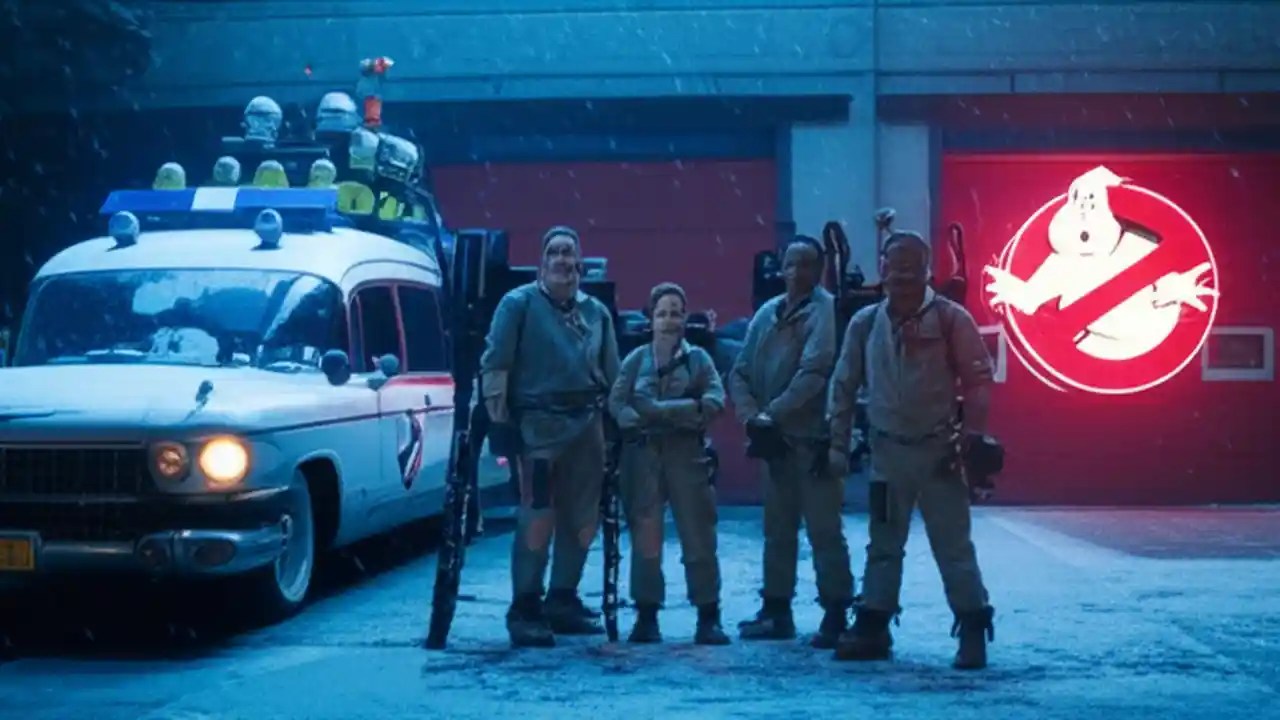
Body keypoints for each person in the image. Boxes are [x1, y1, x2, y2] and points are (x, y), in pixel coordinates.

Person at [826, 230, 996, 670]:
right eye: (893, 266)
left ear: (927, 271)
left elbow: (978, 381)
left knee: (953, 547)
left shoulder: (952, 319)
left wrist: (971, 438)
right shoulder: (864, 324)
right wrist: (837, 449)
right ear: (881, 269)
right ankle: (874, 625)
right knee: (883, 544)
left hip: (941, 455)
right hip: (887, 456)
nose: (900, 275)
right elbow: (842, 387)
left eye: (910, 267)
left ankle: (973, 628)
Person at [479, 225, 620, 648]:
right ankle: (525, 605)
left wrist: (620, 426)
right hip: (537, 426)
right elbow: (496, 364)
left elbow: (613, 374)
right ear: (543, 262)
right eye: (554, 252)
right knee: (537, 515)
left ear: (579, 262)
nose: (562, 260)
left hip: (587, 425)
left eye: (569, 253)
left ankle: (563, 599)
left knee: (582, 518)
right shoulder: (517, 305)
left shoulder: (596, 313)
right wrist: (499, 421)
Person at [728, 235, 855, 648]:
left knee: (824, 531)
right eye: (791, 264)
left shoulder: (826, 311)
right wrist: (753, 419)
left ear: (818, 269)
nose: (797, 272)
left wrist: (771, 414)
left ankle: (836, 612)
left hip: (813, 441)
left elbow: (815, 372)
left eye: (806, 264)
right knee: (776, 530)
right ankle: (776, 610)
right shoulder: (766, 314)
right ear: (780, 268)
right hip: (774, 443)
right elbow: (739, 372)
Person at [607, 282, 730, 646]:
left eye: (676, 311)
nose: (670, 319)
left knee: (699, 536)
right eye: (662, 312)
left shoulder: (698, 360)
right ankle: (647, 615)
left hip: (686, 456)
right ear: (651, 318)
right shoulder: (636, 360)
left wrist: (667, 412)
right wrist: (635, 419)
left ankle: (708, 615)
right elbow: (616, 401)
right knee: (646, 537)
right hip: (643, 457)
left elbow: (715, 399)